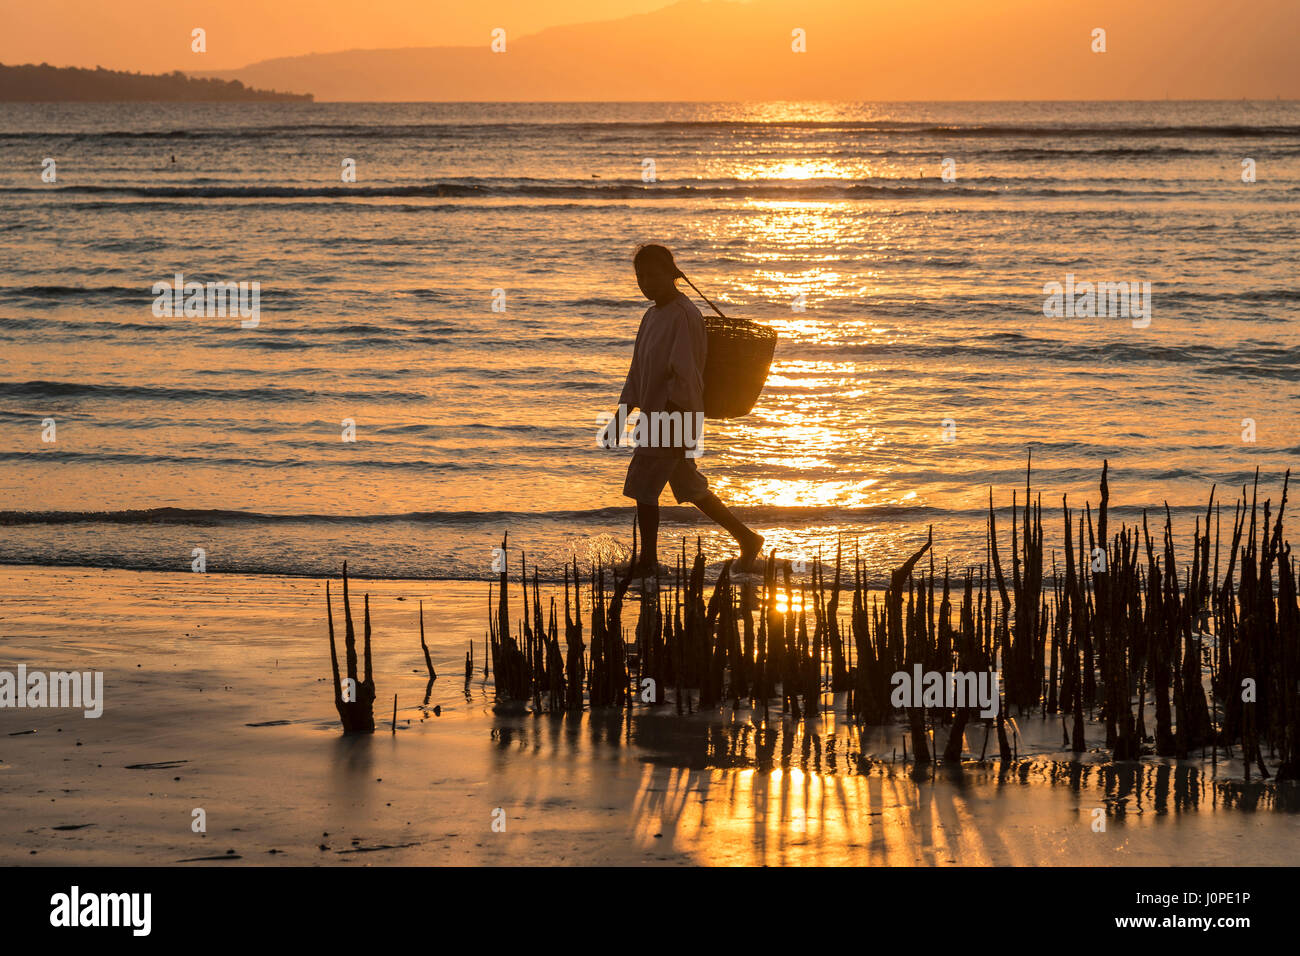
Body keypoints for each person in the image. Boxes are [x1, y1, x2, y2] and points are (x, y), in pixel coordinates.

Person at [605, 244, 764, 580]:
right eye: (640, 276)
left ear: (672, 275)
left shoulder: (684, 315)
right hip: (659, 417)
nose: (646, 282)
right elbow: (638, 373)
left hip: (673, 415)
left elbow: (687, 374)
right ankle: (748, 538)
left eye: (653, 275)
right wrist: (621, 415)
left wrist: (677, 427)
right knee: (690, 486)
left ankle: (648, 561)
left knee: (644, 486)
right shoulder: (651, 316)